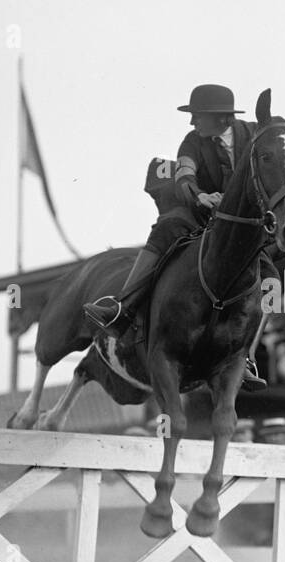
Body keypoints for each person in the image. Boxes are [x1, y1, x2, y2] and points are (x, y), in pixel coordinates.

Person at [83, 84, 267, 391]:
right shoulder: (192, 142)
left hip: (245, 226)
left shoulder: (255, 136)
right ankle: (123, 308)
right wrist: (200, 195)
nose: (192, 123)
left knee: (270, 278)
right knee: (168, 225)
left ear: (220, 118)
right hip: (203, 215)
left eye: (197, 116)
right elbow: (184, 176)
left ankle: (244, 356)